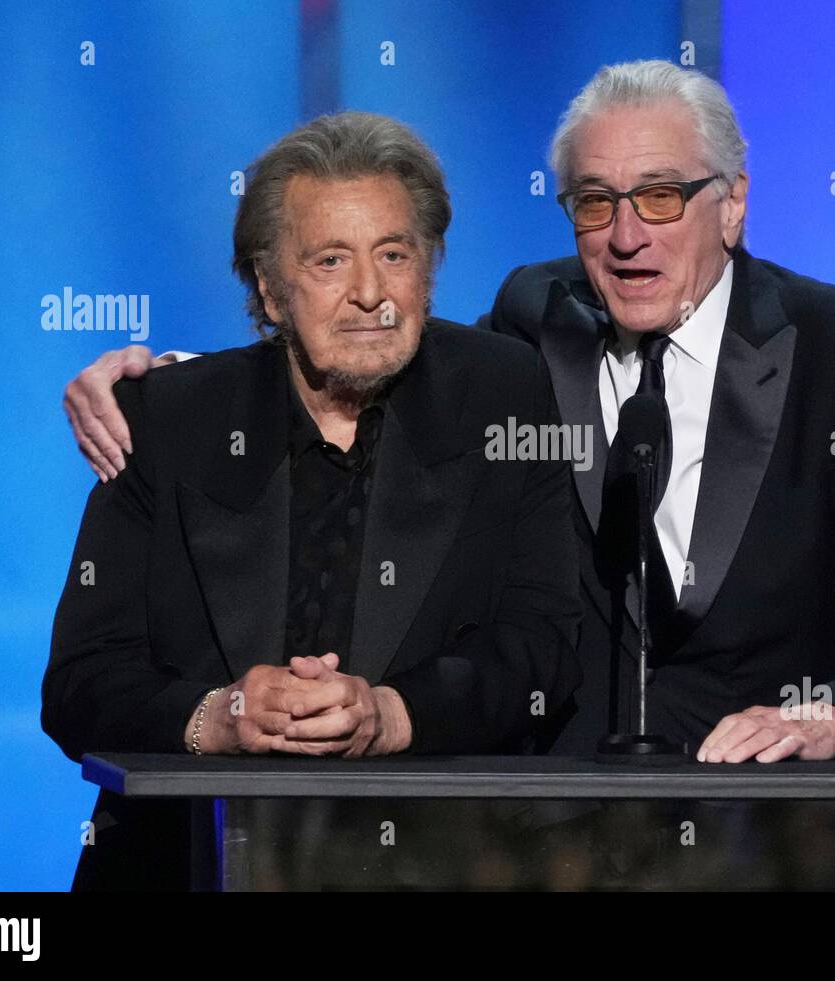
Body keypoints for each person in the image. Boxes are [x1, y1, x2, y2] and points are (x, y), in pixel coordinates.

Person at [63, 61, 835, 888]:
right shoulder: (535, 316)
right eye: (596, 200)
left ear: (735, 201)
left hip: (771, 844)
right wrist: (184, 384)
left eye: (663, 195)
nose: (626, 234)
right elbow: (375, 344)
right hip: (549, 842)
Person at [44, 111, 582, 890]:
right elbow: (78, 683)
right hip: (187, 863)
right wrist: (220, 718)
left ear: (428, 268)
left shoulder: (504, 393)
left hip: (434, 863)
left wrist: (391, 714)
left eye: (394, 254)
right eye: (330, 260)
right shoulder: (167, 417)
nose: (370, 293)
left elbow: (542, 645)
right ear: (269, 287)